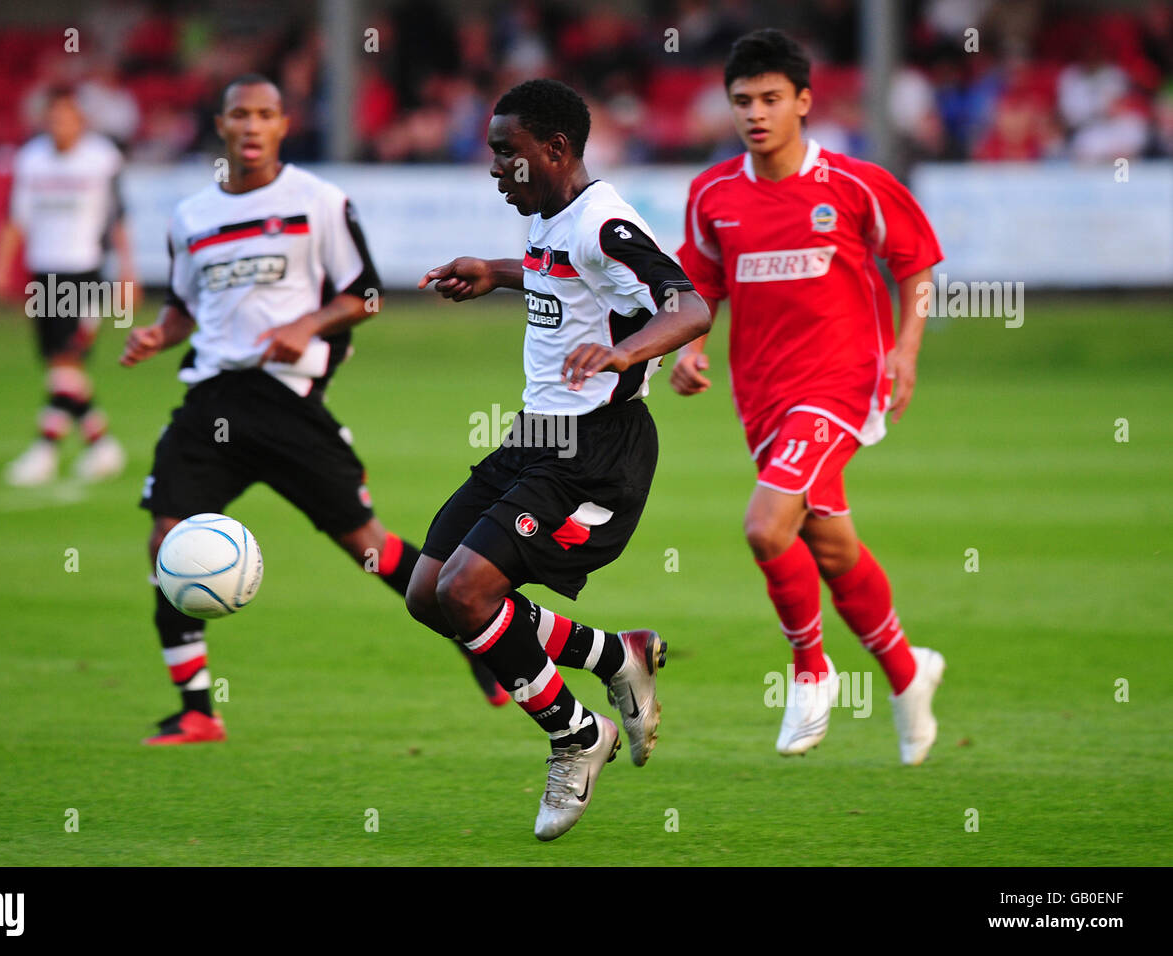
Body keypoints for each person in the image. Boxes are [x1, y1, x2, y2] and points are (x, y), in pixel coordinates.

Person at [121, 74, 505, 746]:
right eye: (239, 114)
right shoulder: (190, 219)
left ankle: (475, 638)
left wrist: (307, 323)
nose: (251, 126)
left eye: (265, 114)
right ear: (221, 124)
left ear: (282, 124)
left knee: (369, 547)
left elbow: (366, 296)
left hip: (289, 399)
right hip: (211, 395)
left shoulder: (319, 202)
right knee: (167, 539)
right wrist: (159, 333)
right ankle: (198, 710)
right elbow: (185, 307)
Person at [408, 79, 712, 840]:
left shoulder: (604, 222)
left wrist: (624, 353)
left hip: (594, 450)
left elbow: (689, 303)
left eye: (506, 154)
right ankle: (617, 654)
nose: (495, 169)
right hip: (536, 436)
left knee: (469, 592)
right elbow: (558, 275)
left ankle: (577, 736)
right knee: (426, 592)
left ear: (557, 149)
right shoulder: (553, 219)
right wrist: (497, 270)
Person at [672, 29, 946, 764]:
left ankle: (809, 671)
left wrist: (906, 350)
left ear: (803, 101)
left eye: (770, 99)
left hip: (842, 382)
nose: (755, 113)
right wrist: (691, 348)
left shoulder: (854, 184)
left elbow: (916, 266)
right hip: (761, 395)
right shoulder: (713, 194)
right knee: (829, 545)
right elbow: (700, 287)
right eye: (741, 101)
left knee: (766, 527)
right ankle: (907, 673)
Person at [0, 86, 132, 487]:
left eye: (67, 117)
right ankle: (101, 445)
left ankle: (45, 450)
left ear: (80, 120)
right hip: (44, 271)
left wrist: (128, 271)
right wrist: (1, 265)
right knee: (58, 363)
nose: (60, 125)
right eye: (53, 118)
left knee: (69, 359)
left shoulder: (101, 158)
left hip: (85, 269)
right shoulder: (31, 158)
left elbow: (119, 217)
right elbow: (15, 215)